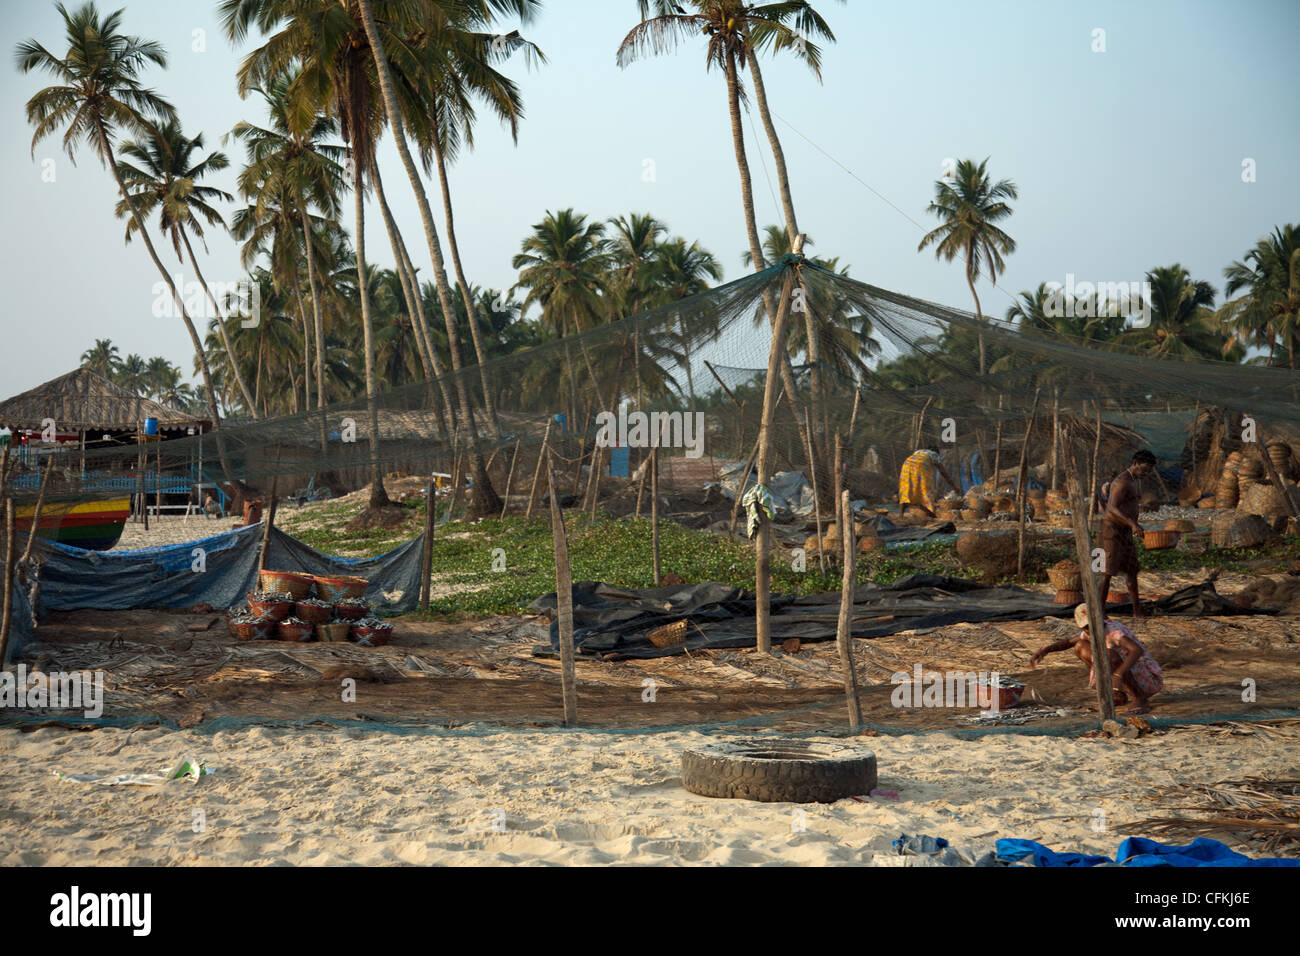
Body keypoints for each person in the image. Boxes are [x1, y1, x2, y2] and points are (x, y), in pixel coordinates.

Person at [1029, 604, 1164, 714]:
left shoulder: (1114, 632)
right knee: (1080, 646)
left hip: (1145, 678)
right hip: (1122, 677)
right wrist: (1044, 650)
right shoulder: (1089, 633)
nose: (1091, 630)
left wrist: (1118, 674)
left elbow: (1137, 650)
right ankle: (1118, 695)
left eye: (1093, 625)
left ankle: (1140, 699)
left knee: (1109, 655)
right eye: (1087, 628)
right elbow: (1069, 642)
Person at [1098, 449, 1156, 618]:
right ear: (1135, 463)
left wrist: (1133, 523)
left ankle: (1137, 610)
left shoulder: (1136, 480)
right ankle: (1099, 612)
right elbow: (1111, 509)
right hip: (1111, 530)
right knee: (1106, 573)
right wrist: (1132, 523)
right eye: (1144, 469)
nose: (1146, 473)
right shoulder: (1121, 482)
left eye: (1149, 471)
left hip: (1125, 531)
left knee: (1132, 570)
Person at [898, 448, 961, 518]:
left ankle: (901, 516)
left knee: (906, 490)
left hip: (906, 465)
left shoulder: (918, 452)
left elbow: (914, 462)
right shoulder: (934, 454)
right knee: (926, 491)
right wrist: (954, 487)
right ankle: (931, 514)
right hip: (920, 466)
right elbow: (943, 472)